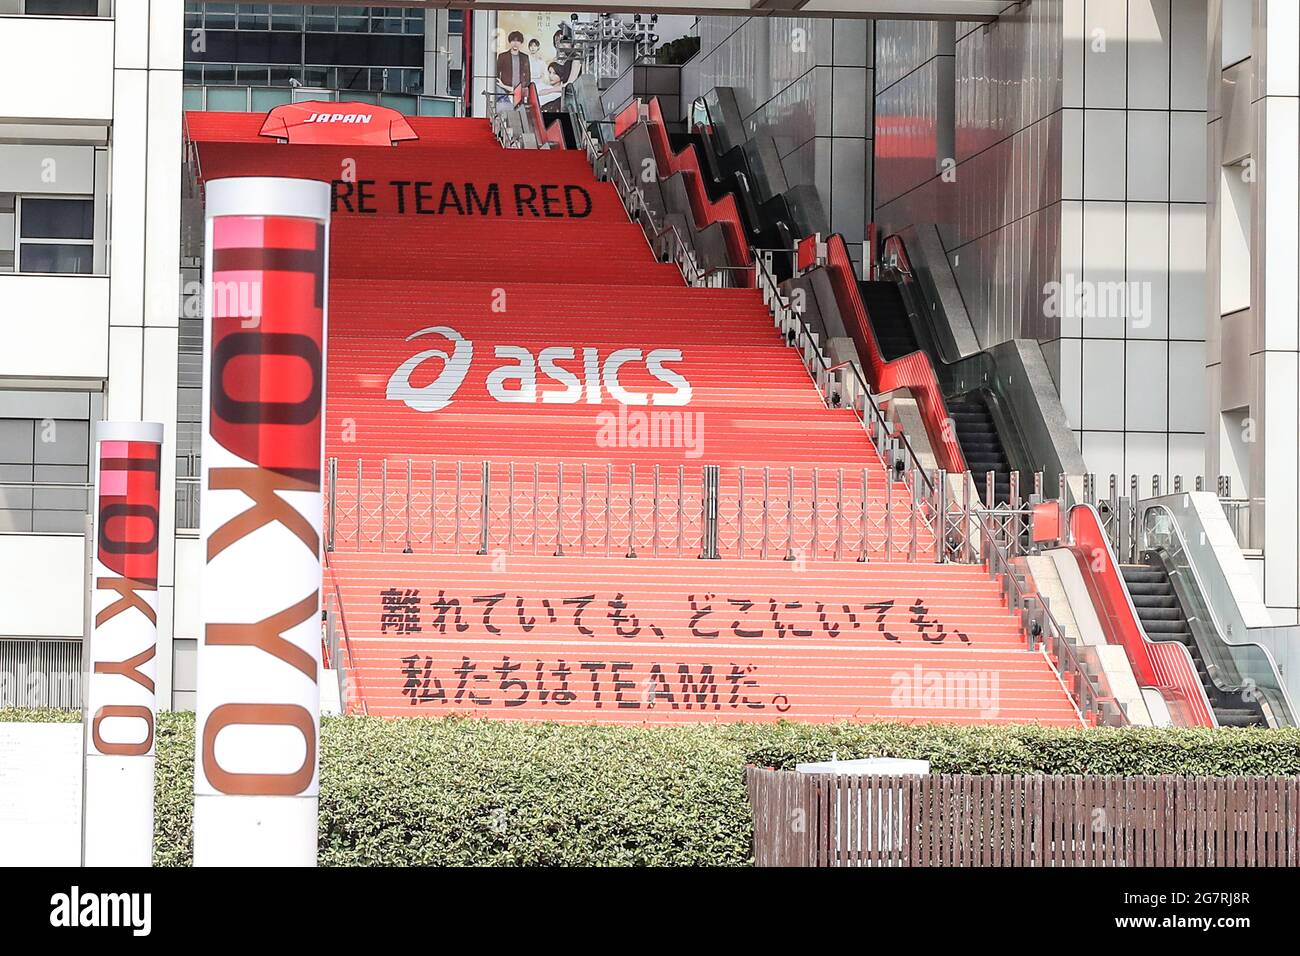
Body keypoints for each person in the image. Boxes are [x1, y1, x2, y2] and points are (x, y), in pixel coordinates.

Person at [495, 31, 530, 103]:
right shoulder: (502, 56)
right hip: (505, 90)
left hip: (520, 90)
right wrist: (501, 85)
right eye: (513, 41)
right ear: (510, 42)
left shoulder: (525, 57)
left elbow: (528, 75)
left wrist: (523, 88)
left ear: (521, 43)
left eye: (518, 41)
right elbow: (497, 72)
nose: (515, 43)